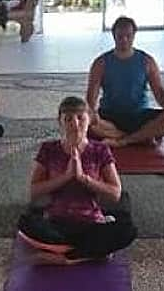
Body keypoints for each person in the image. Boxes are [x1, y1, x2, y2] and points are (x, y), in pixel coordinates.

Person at [17, 96, 137, 265]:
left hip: (91, 223)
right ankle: (92, 252)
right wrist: (66, 177)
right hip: (56, 223)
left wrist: (83, 178)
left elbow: (115, 194)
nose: (75, 124)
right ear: (60, 122)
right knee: (25, 222)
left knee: (128, 230)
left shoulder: (100, 150)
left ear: (89, 120)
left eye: (80, 118)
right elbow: (34, 192)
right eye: (68, 119)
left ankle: (66, 257)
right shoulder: (49, 149)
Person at [86, 16, 164, 147]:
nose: (124, 40)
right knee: (85, 121)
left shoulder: (147, 61)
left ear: (134, 35)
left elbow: (158, 90)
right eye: (120, 36)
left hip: (139, 116)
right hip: (109, 116)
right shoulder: (100, 63)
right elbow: (91, 95)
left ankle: (124, 140)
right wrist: (90, 113)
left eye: (128, 36)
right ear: (114, 36)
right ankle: (142, 136)